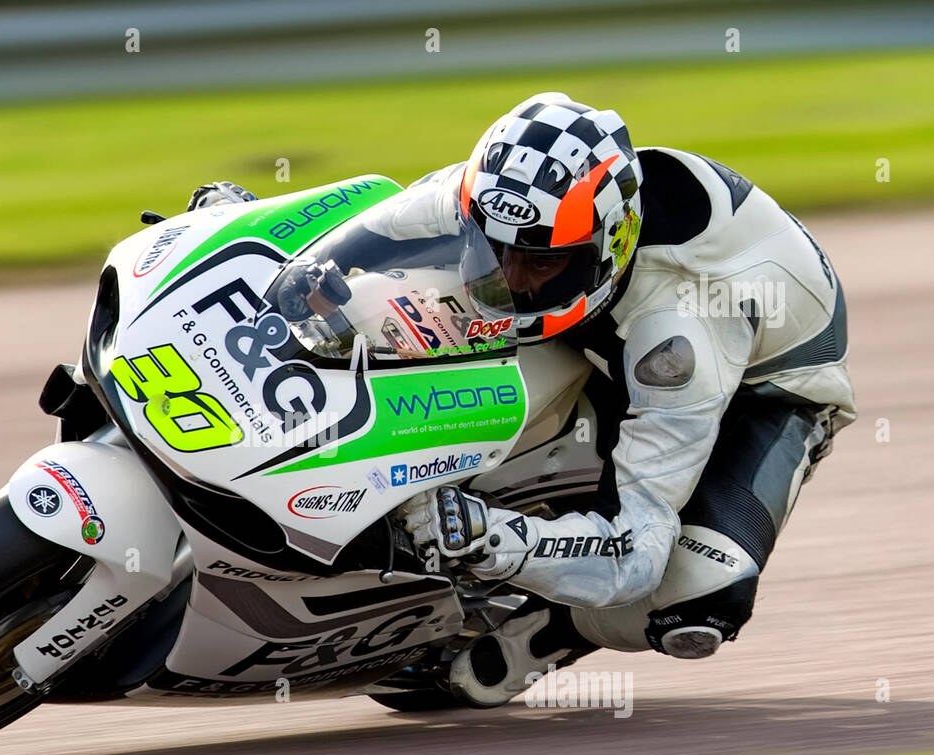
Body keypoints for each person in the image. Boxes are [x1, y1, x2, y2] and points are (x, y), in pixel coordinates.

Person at [187, 92, 856, 707]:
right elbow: (357, 243)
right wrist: (252, 229)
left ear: (605, 248)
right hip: (604, 318)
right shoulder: (498, 199)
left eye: (538, 261)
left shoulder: (677, 337)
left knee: (697, 595)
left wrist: (494, 540)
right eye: (492, 248)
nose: (506, 277)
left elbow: (633, 553)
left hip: (760, 384)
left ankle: (530, 635)